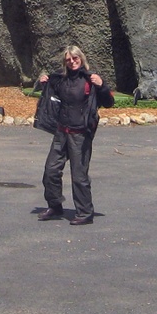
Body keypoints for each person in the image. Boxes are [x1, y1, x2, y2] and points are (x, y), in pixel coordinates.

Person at [36, 45, 113, 226]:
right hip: (62, 132)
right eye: (68, 60)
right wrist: (43, 82)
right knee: (51, 171)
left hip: (81, 134)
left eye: (75, 58)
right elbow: (48, 94)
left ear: (81, 58)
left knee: (79, 176)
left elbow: (109, 102)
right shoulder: (61, 80)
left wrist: (102, 86)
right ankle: (55, 206)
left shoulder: (90, 79)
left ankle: (85, 212)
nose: (72, 62)